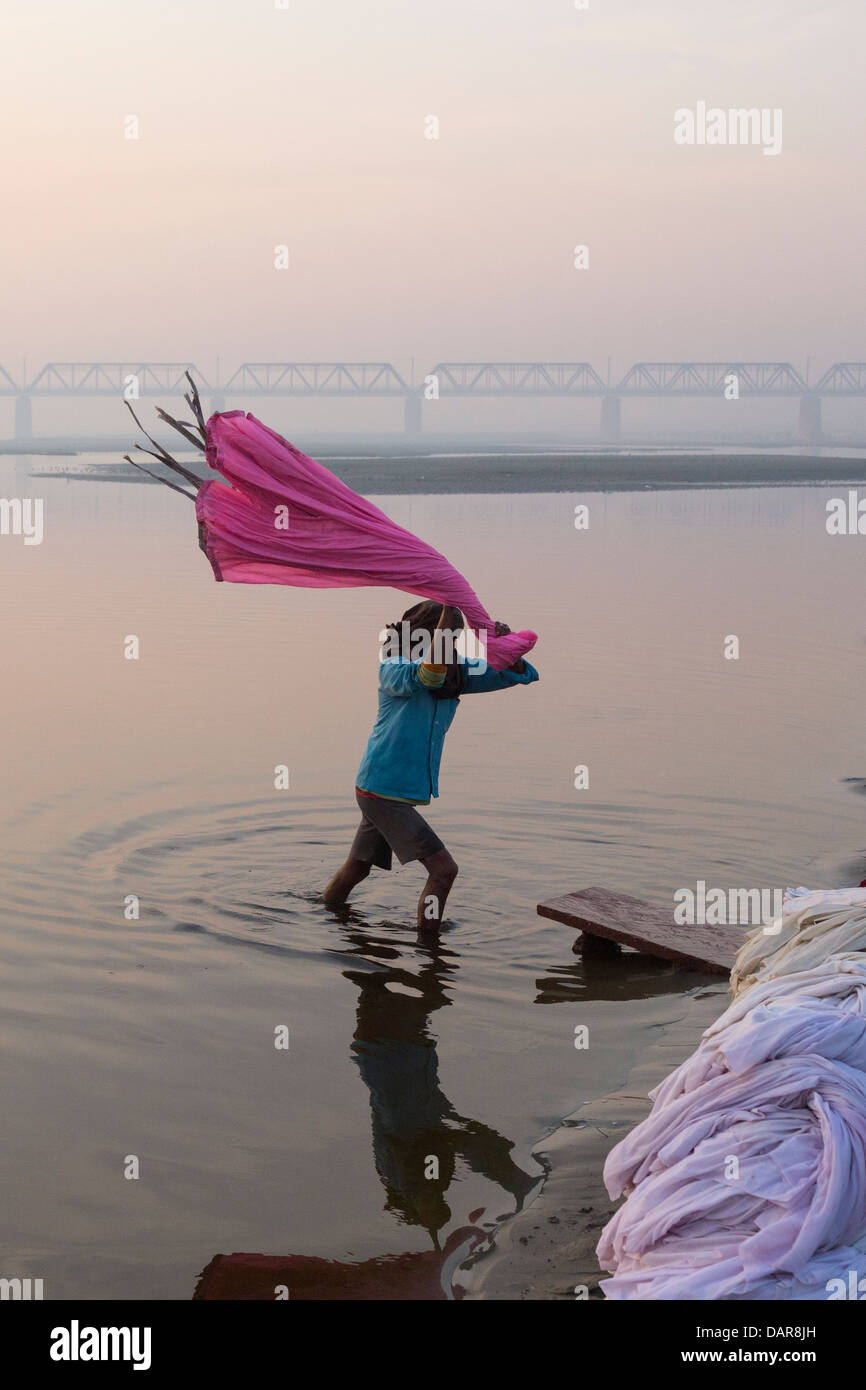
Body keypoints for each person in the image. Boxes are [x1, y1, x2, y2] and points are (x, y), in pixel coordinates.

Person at [323, 600, 539, 927]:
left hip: (382, 790)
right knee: (443, 870)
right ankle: (429, 944)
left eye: (452, 637)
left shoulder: (457, 671)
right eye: (445, 635)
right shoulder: (393, 667)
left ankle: (325, 911)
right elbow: (426, 676)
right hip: (382, 792)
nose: (450, 642)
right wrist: (449, 622)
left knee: (358, 866)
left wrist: (505, 648)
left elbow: (511, 676)